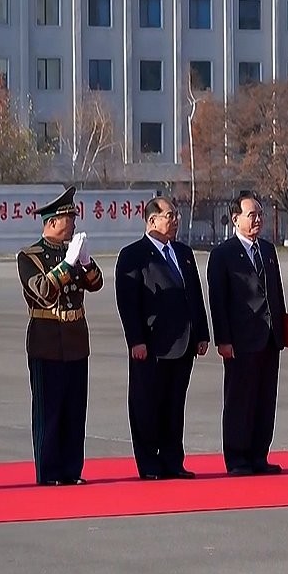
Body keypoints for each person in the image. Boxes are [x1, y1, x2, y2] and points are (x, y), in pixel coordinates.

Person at [115, 195, 210, 480]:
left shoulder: (183, 253)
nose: (175, 220)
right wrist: (136, 341)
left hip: (183, 344)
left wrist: (202, 333)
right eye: (169, 215)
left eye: (176, 215)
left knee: (174, 405)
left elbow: (194, 295)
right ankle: (149, 462)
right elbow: (128, 303)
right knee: (146, 405)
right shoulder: (133, 254)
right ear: (151, 220)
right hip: (152, 345)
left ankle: (172, 460)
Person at [17, 186, 104, 485]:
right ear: (54, 221)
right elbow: (41, 291)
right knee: (49, 411)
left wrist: (86, 263)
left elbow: (96, 283)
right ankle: (49, 471)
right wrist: (67, 265)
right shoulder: (30, 256)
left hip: (76, 339)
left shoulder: (73, 250)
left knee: (74, 410)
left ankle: (71, 469)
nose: (75, 223)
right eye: (70, 218)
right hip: (47, 341)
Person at [207, 191, 288, 476]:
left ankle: (258, 455)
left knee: (265, 399)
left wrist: (283, 332)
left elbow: (276, 293)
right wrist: (223, 340)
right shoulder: (223, 254)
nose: (258, 219)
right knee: (240, 399)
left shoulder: (267, 250)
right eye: (251, 214)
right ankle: (237, 457)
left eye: (260, 214)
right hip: (240, 341)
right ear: (235, 218)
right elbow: (218, 300)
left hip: (269, 338)